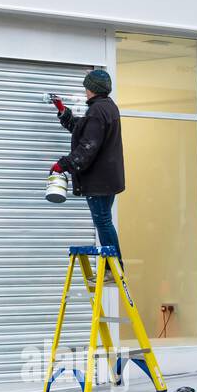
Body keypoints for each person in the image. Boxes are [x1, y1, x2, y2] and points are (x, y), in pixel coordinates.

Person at [51, 68, 125, 262]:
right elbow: (83, 131)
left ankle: (113, 265)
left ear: (92, 88)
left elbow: (87, 146)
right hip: (108, 179)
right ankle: (114, 265)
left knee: (103, 221)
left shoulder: (97, 110)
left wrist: (63, 165)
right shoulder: (107, 107)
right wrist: (63, 111)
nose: (85, 90)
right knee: (104, 220)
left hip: (99, 181)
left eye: (86, 86)